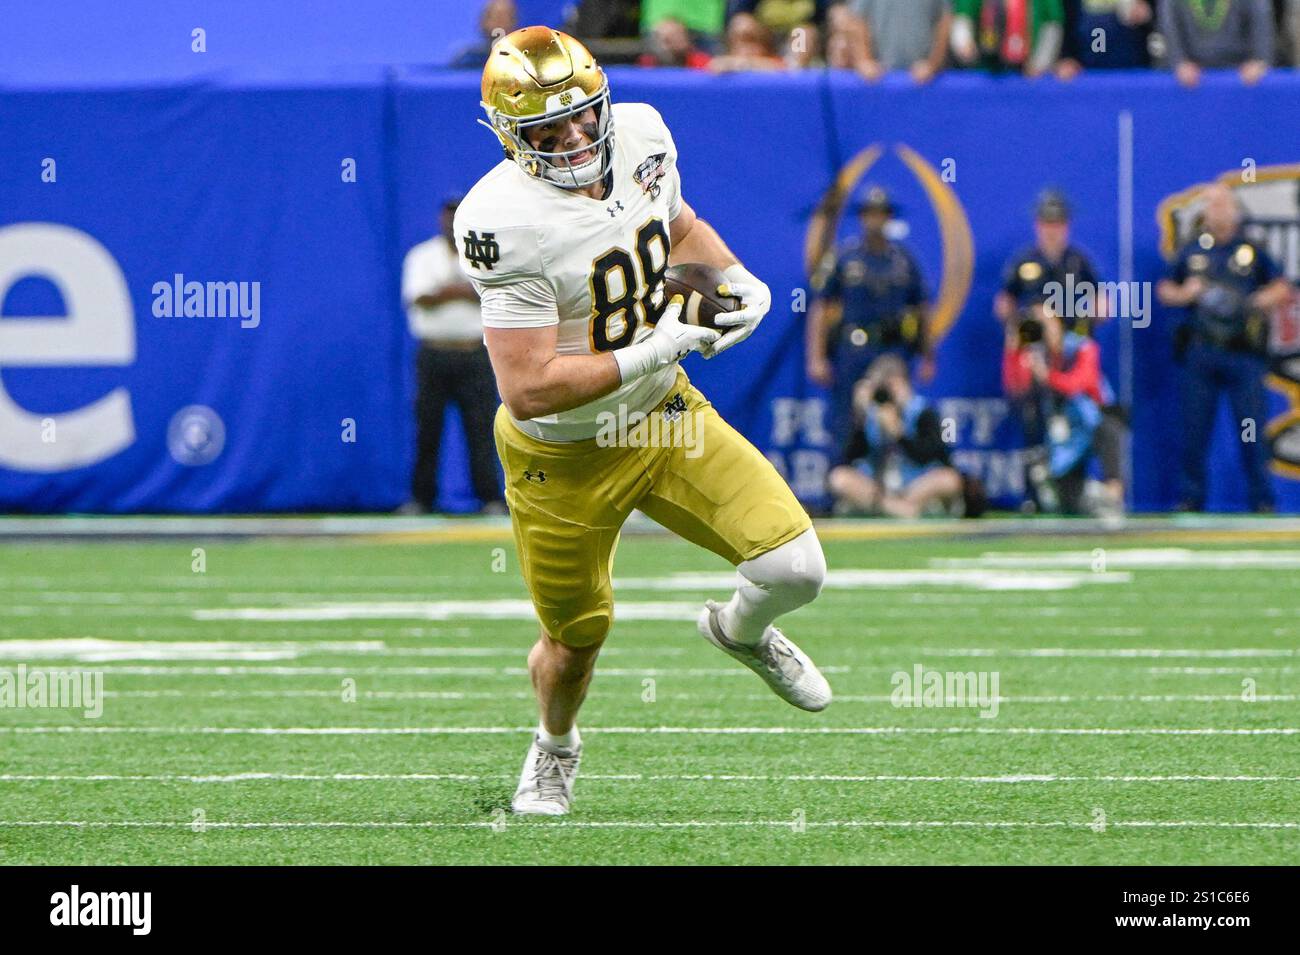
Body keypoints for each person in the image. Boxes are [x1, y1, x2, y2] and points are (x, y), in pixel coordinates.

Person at [455, 27, 832, 816]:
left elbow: (680, 224)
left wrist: (735, 276)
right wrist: (654, 345)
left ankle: (739, 630)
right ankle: (555, 747)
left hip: (662, 416)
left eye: (584, 117)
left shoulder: (645, 135)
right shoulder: (503, 221)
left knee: (795, 568)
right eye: (548, 131)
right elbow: (526, 389)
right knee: (575, 641)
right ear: (509, 136)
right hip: (560, 457)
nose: (576, 138)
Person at [1157, 183, 1292, 512]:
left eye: (1222, 205)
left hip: (1243, 353)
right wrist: (1186, 293)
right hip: (1202, 351)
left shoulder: (1251, 249)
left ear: (1234, 209)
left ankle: (1261, 499)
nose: (1217, 212)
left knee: (1250, 429)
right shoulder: (1192, 251)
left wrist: (1255, 301)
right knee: (1195, 431)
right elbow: (1164, 290)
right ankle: (1191, 497)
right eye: (1211, 206)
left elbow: (1281, 288)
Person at [806, 187, 935, 460]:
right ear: (862, 217)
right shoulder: (845, 257)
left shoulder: (904, 260)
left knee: (895, 415)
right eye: (869, 214)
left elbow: (922, 307)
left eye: (880, 214)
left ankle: (892, 491)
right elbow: (821, 306)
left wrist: (927, 354)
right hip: (853, 350)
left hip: (893, 351)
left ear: (889, 218)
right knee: (848, 418)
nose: (875, 220)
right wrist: (816, 356)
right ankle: (840, 490)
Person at [401, 197, 505, 515]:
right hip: (434, 354)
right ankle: (422, 499)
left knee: (482, 427)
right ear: (440, 221)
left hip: (475, 353)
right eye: (447, 218)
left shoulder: (485, 254)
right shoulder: (422, 256)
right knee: (428, 428)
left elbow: (494, 296)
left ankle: (489, 498)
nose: (451, 224)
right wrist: (463, 291)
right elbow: (420, 298)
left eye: (457, 218)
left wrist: (447, 291)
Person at [1002, 304, 1127, 515]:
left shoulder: (1081, 347)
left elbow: (1080, 382)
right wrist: (1013, 348)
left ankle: (1114, 495)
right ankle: (1089, 499)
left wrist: (1047, 376)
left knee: (1109, 427)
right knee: (1063, 495)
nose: (1041, 329)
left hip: (1092, 421)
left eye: (1046, 322)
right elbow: (1015, 388)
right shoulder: (1034, 355)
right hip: (1064, 434)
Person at [828, 354, 964, 517]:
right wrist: (861, 416)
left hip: (915, 484)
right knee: (839, 478)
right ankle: (897, 509)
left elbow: (936, 456)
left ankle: (896, 507)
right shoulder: (868, 414)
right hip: (878, 487)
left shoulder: (921, 411)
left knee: (949, 479)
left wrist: (899, 433)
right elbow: (849, 457)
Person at [995, 189, 1104, 338]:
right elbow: (1006, 299)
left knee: (1086, 349)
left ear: (1066, 226)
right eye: (1047, 224)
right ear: (1037, 225)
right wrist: (1013, 321)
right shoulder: (1023, 260)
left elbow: (1099, 297)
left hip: (1073, 333)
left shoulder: (1079, 261)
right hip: (1031, 335)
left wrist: (1096, 313)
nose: (1051, 231)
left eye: (1057, 224)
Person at [1160, 0, 1275, 86]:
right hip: (1192, 67)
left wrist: (1259, 59)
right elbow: (1170, 26)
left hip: (1240, 68)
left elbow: (1261, 23)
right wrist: (1180, 61)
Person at [847, 0, 954, 83]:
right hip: (878, 77)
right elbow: (858, 19)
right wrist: (865, 60)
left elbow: (945, 20)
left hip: (925, 79)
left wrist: (932, 64)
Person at [951, 0, 1065, 76]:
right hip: (985, 71)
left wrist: (1040, 64)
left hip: (1027, 73)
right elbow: (963, 17)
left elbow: (1052, 24)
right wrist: (964, 44)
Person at [1056, 0, 1154, 78]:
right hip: (1083, 71)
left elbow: (1159, 19)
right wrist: (1066, 57)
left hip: (1133, 70)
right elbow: (1064, 21)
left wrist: (1148, 12)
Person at [449, 0, 517, 68]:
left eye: (506, 18)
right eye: (497, 18)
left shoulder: (521, 59)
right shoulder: (468, 58)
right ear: (483, 22)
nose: (501, 24)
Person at [638, 17, 714, 68]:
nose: (677, 41)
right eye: (667, 39)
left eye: (679, 35)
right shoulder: (647, 64)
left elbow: (715, 66)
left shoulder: (699, 61)